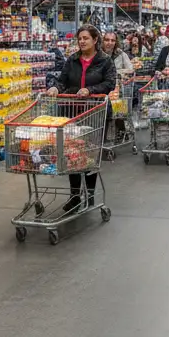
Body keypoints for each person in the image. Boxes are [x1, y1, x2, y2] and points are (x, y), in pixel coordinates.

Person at [47, 24, 116, 211]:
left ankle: (91, 193)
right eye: (80, 38)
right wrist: (56, 88)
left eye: (86, 38)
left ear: (95, 40)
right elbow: (63, 81)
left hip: (96, 113)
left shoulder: (105, 61)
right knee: (73, 153)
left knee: (90, 154)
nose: (82, 41)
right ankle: (75, 196)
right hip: (73, 112)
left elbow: (110, 83)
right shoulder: (72, 60)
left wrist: (90, 90)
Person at [102, 30, 133, 143]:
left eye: (112, 40)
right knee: (102, 111)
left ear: (116, 42)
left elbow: (130, 69)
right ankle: (103, 138)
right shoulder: (97, 54)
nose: (109, 43)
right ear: (102, 41)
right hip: (101, 90)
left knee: (118, 110)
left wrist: (116, 72)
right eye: (107, 40)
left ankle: (121, 132)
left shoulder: (121, 54)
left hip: (117, 90)